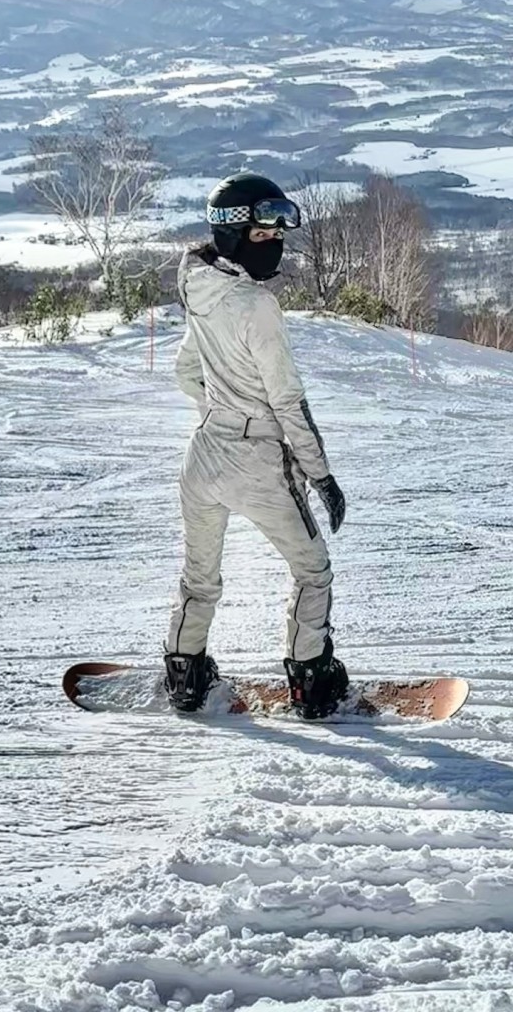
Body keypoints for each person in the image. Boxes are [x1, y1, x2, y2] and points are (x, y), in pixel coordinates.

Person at [165, 173, 348, 719]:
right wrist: (322, 477)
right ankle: (311, 679)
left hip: (203, 458)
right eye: (264, 237)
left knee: (200, 575)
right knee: (312, 569)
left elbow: (185, 369)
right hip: (259, 462)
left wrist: (220, 413)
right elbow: (289, 403)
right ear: (234, 235)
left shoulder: (197, 285)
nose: (276, 247)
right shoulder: (256, 304)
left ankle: (185, 674)